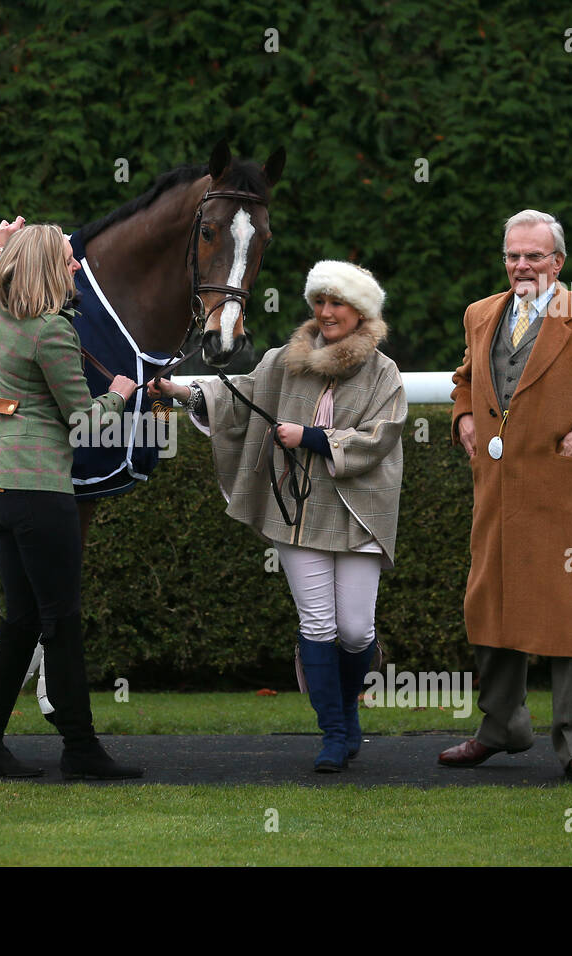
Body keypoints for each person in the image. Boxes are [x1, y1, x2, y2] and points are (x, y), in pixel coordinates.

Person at [150, 260, 406, 772]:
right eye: (320, 301)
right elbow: (240, 395)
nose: (326, 312)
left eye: (337, 303)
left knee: (356, 631)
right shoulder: (284, 360)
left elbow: (385, 434)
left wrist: (311, 437)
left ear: (361, 311)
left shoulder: (384, 372)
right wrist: (182, 392)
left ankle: (347, 714)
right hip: (295, 510)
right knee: (317, 623)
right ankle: (334, 733)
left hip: (357, 514)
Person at [439, 209, 572, 782]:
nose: (522, 265)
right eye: (513, 255)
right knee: (491, 607)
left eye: (534, 256)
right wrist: (463, 414)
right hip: (497, 495)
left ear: (558, 262)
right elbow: (464, 377)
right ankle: (501, 729)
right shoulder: (480, 314)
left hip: (566, 495)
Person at [0, 216, 143, 780]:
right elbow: (83, 420)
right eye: (68, 259)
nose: (76, 266)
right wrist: (117, 394)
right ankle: (81, 750)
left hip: (0, 485)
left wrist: (2, 250)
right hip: (41, 492)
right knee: (60, 622)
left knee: (20, 623)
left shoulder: (0, 315)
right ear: (47, 266)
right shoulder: (51, 330)